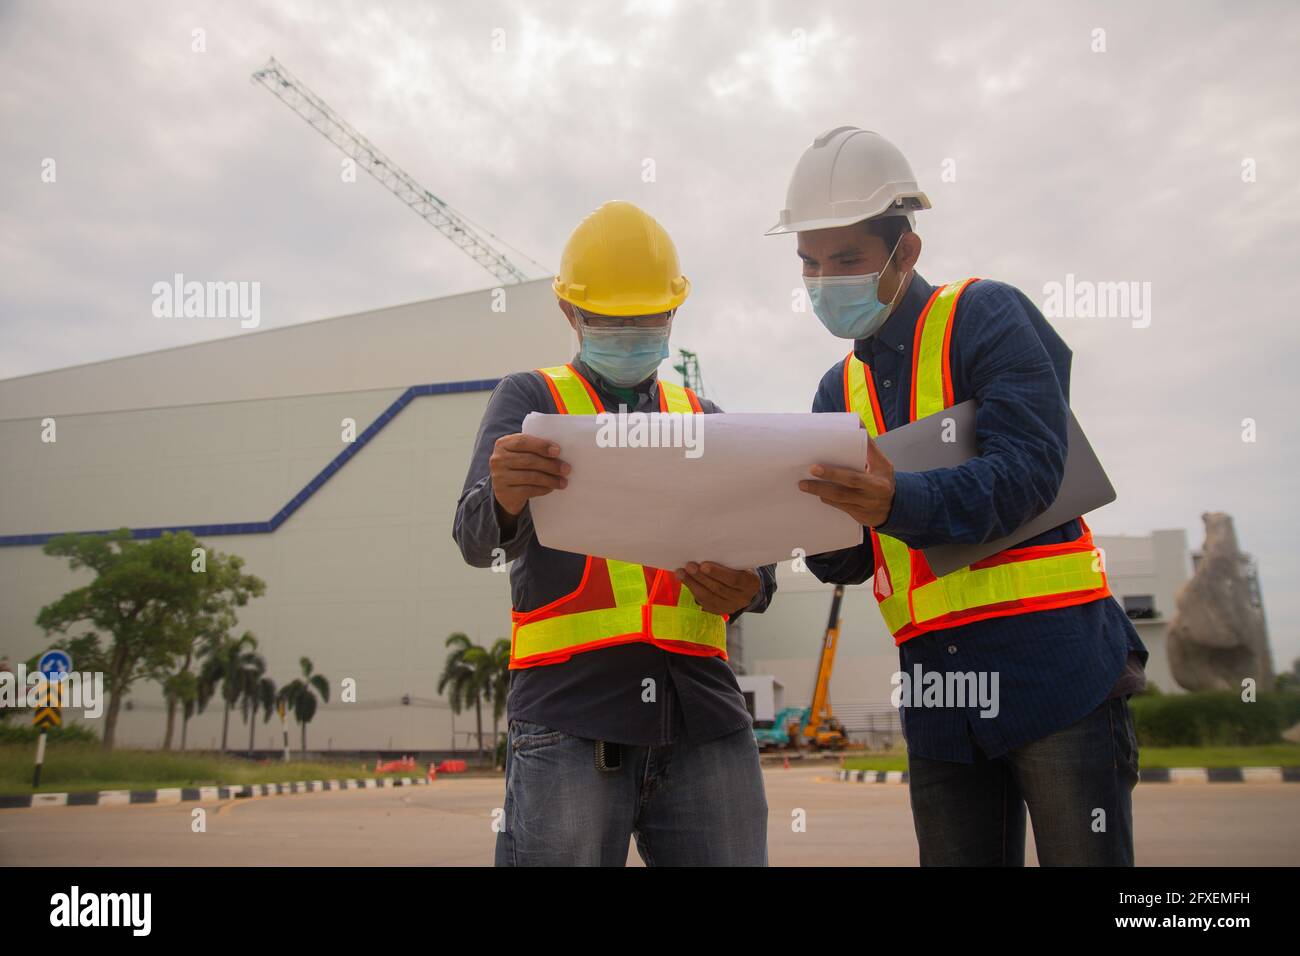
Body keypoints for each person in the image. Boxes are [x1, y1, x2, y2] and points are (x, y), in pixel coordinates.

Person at [768, 126, 1148, 866]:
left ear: (905, 252)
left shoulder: (986, 317)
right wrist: (792, 525)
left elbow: (1032, 469)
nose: (824, 282)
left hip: (1057, 674)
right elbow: (848, 562)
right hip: (940, 701)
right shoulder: (833, 391)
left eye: (846, 260)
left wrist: (894, 501)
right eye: (809, 265)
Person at [454, 200, 776, 866]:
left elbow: (758, 558)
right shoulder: (532, 399)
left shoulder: (702, 415)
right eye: (613, 320)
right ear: (571, 315)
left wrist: (749, 586)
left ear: (673, 315)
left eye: (649, 318)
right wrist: (506, 496)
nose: (633, 332)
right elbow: (474, 538)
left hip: (703, 718)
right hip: (574, 716)